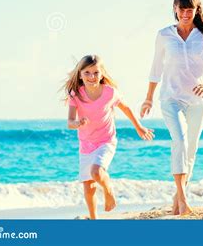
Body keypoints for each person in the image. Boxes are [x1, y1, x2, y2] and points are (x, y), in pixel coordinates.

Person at [140, 0, 203, 215]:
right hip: (171, 97)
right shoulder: (164, 35)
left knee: (191, 150)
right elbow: (156, 67)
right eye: (182, 9)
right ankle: (184, 199)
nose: (185, 14)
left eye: (190, 10)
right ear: (175, 8)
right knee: (180, 141)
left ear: (197, 10)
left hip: (198, 100)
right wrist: (148, 97)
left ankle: (177, 198)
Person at [63, 54, 154, 219]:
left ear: (102, 73)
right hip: (86, 144)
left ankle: (108, 190)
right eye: (87, 73)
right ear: (80, 74)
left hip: (106, 140)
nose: (92, 77)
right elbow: (70, 122)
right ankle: (93, 218)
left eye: (96, 72)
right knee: (88, 186)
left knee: (96, 172)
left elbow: (126, 109)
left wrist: (139, 127)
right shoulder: (76, 95)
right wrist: (78, 123)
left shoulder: (109, 92)